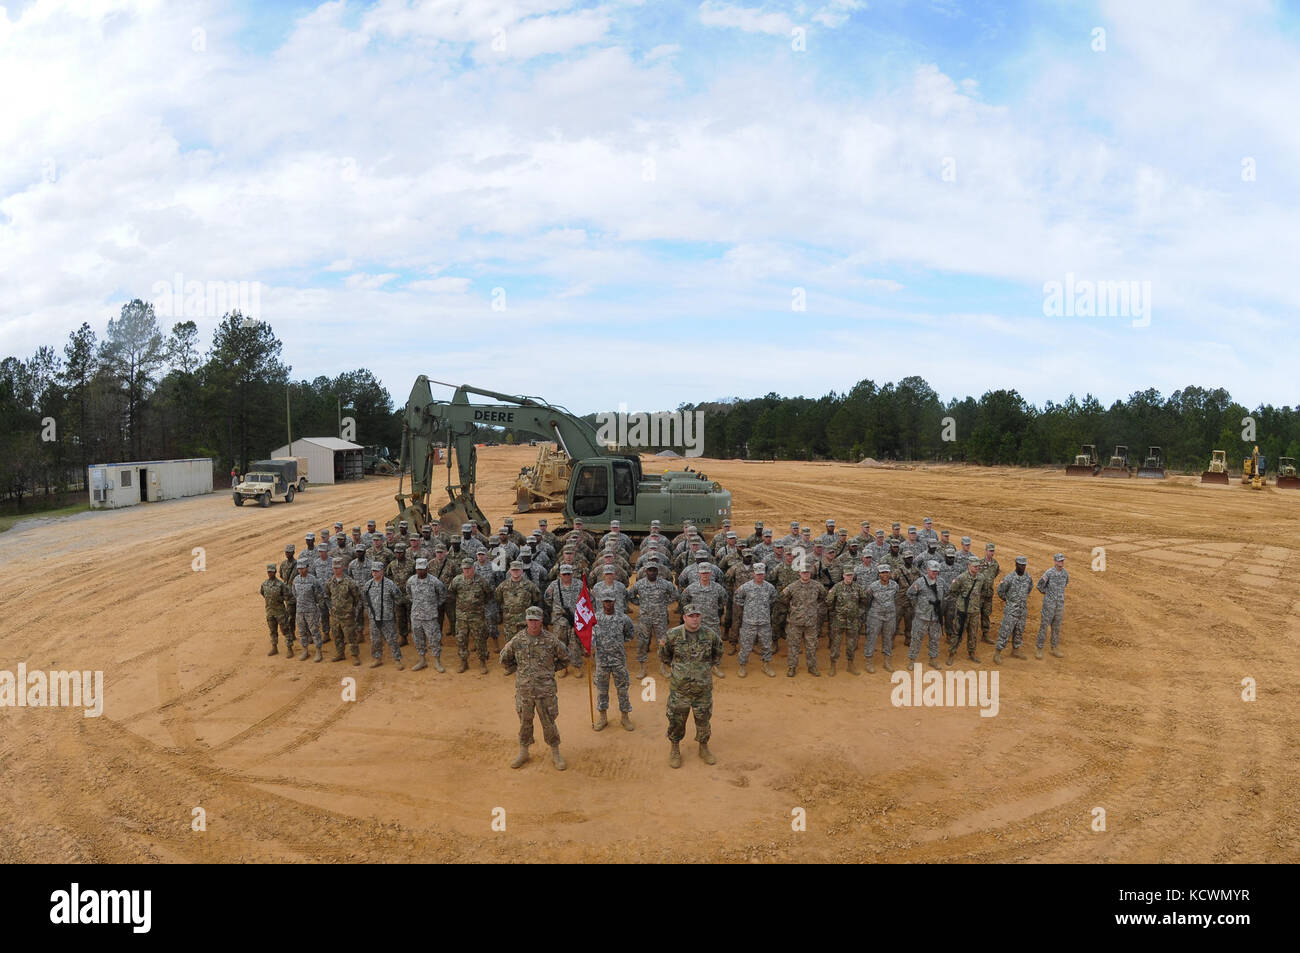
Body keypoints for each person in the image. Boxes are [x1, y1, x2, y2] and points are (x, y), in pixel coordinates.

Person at [500, 607, 570, 770]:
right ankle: (524, 752)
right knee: (525, 723)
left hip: (545, 691)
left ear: (541, 621)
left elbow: (565, 659)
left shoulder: (551, 640)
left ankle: (556, 754)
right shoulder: (517, 640)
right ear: (526, 621)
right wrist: (521, 671)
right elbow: (504, 659)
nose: (533, 623)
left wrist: (549, 671)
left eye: (536, 620)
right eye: (530, 620)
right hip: (525, 691)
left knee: (549, 723)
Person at [659, 604, 724, 769]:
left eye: (697, 615)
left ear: (700, 617)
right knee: (676, 720)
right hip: (680, 689)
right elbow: (665, 655)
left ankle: (703, 747)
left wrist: (703, 669)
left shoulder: (710, 635)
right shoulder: (672, 635)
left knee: (703, 720)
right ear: (684, 617)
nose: (694, 619)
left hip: (702, 689)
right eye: (691, 616)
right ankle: (674, 749)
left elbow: (718, 653)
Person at [591, 596, 636, 732]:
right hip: (602, 661)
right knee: (601, 690)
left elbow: (630, 634)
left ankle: (625, 717)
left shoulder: (623, 618)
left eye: (610, 601)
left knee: (622, 689)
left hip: (618, 661)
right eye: (605, 601)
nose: (608, 603)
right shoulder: (595, 618)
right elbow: (590, 636)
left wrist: (618, 645)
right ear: (602, 602)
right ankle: (603, 718)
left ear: (615, 601)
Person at [1036, 553, 1069, 659]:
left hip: (1059, 605)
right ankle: (1039, 649)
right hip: (1049, 604)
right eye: (1059, 561)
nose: (1061, 563)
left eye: (1062, 561)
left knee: (1056, 627)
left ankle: (1054, 648)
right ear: (1055, 562)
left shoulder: (1065, 574)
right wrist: (1048, 594)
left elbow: (1065, 584)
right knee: (1044, 626)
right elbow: (1039, 585)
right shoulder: (1049, 573)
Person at [259, 563, 291, 656]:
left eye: (272, 572)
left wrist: (279, 599)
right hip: (270, 611)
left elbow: (287, 595)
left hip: (280, 612)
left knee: (285, 629)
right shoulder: (264, 584)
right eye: (269, 572)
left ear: (275, 572)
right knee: (273, 630)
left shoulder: (280, 584)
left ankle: (289, 648)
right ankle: (274, 647)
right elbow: (263, 593)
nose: (270, 573)